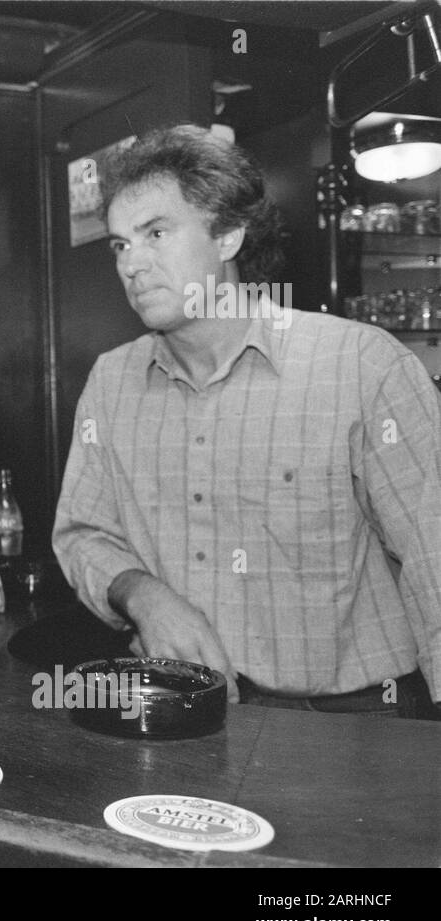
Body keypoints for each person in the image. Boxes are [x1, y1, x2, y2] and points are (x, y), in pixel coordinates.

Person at [53, 125, 441, 717]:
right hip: (174, 708)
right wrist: (142, 594)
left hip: (350, 727)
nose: (132, 263)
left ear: (229, 234)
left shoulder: (361, 364)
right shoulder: (111, 382)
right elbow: (83, 533)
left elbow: (434, 559)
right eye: (120, 245)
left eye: (156, 232)